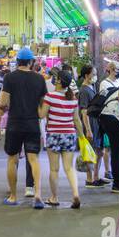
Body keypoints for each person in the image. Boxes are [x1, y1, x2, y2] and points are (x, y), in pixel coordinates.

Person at [0, 47, 49, 208]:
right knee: (33, 159)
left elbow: (3, 103)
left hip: (14, 124)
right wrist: (39, 114)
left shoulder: (9, 78)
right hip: (32, 123)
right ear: (31, 62)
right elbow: (44, 103)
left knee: (12, 159)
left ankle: (13, 196)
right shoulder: (39, 79)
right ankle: (38, 195)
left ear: (17, 61)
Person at [39, 68, 85, 208]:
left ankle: (54, 197)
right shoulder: (73, 99)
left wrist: (37, 104)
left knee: (54, 169)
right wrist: (82, 136)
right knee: (69, 168)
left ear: (58, 81)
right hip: (69, 135)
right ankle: (75, 194)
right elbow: (76, 120)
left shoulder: (50, 96)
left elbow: (41, 115)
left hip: (54, 134)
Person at [97, 64, 119, 193]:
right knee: (117, 150)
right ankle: (117, 183)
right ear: (110, 69)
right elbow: (116, 97)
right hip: (110, 117)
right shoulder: (104, 83)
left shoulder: (118, 81)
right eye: (117, 69)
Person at [77, 65, 109, 188]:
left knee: (99, 151)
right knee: (90, 152)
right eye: (93, 73)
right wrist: (88, 130)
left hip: (97, 123)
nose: (95, 76)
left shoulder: (92, 86)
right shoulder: (84, 90)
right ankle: (89, 179)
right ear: (86, 75)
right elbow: (84, 112)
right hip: (90, 124)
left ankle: (95, 177)